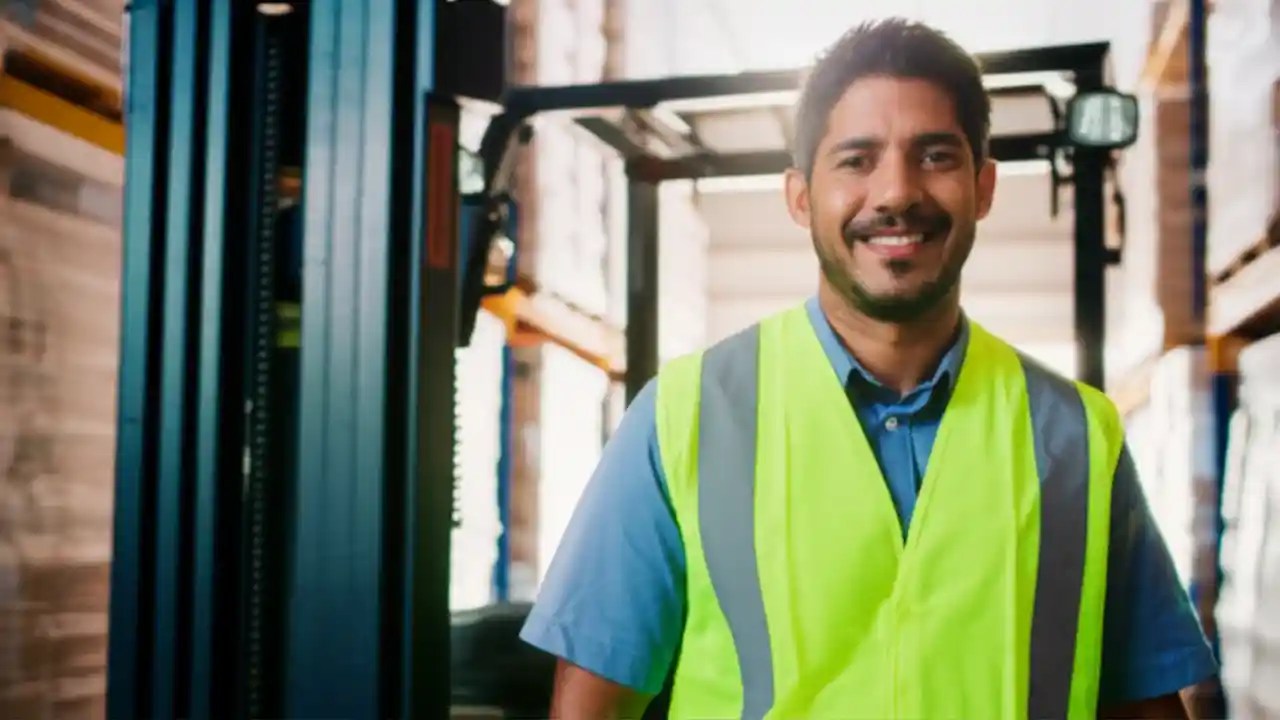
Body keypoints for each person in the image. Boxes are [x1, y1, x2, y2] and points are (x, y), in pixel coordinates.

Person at [519, 18, 1219, 720]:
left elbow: (1145, 705)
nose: (895, 192)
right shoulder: (684, 417)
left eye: (935, 156)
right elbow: (589, 710)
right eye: (857, 160)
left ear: (983, 186)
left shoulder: (1079, 436)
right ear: (800, 196)